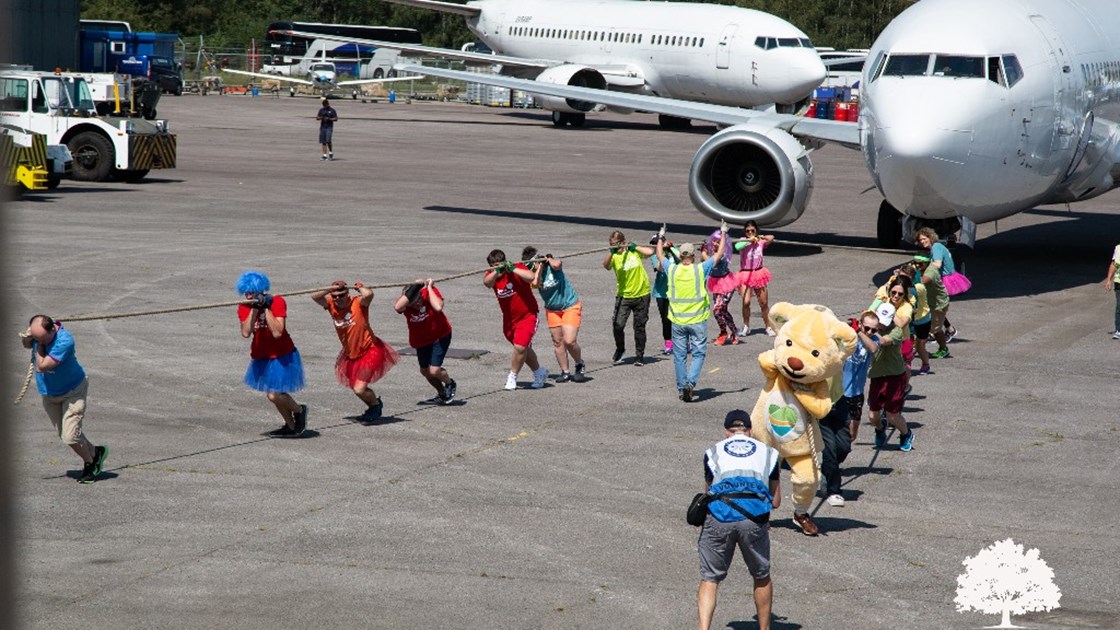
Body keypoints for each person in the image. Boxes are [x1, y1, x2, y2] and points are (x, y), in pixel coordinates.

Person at [697, 410, 781, 630]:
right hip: (753, 519)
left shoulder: (712, 452)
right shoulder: (769, 453)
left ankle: (703, 628)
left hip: (720, 516)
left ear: (727, 431)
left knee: (710, 578)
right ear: (750, 430)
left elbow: (708, 493)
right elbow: (776, 501)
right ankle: (764, 628)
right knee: (761, 575)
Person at [21, 315, 109, 484]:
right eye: (37, 337)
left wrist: (38, 343)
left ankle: (91, 463)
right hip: (49, 393)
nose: (40, 341)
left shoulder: (65, 341)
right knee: (66, 434)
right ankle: (95, 452)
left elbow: (42, 366)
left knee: (70, 437)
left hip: (73, 391)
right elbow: (26, 345)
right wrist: (28, 338)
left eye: (42, 338)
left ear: (52, 329)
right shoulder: (40, 335)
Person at [657, 222, 728, 402]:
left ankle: (682, 388)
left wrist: (661, 237)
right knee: (698, 354)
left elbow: (659, 254)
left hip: (678, 321)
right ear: (694, 256)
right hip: (697, 321)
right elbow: (719, 254)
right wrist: (723, 233)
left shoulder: (672, 269)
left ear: (680, 256)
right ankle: (690, 383)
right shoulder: (700, 269)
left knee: (679, 356)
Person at [311, 280, 399, 419]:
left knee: (359, 388)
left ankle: (376, 405)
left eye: (341, 295)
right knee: (355, 386)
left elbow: (369, 294)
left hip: (370, 349)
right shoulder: (331, 305)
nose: (338, 299)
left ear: (348, 293)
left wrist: (361, 287)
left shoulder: (358, 303)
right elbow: (315, 296)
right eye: (335, 296)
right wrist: (329, 289)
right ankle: (373, 406)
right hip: (351, 353)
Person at [237, 271, 308, 436]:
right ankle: (291, 426)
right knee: (273, 394)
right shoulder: (243, 306)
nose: (248, 294)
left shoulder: (277, 302)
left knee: (273, 394)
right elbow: (246, 332)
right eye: (246, 291)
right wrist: (255, 310)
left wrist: (267, 308)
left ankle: (299, 410)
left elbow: (277, 332)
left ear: (261, 290)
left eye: (251, 291)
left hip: (282, 354)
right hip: (262, 356)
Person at [820, 312, 879, 505]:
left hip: (855, 395)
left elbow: (873, 348)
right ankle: (831, 482)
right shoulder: (848, 339)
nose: (870, 331)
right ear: (860, 323)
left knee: (846, 443)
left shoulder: (871, 340)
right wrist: (847, 330)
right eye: (866, 327)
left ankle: (829, 468)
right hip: (836, 395)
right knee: (830, 447)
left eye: (873, 329)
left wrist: (860, 333)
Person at [484, 249, 550, 390]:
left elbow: (532, 277)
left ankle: (512, 377)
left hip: (528, 315)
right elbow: (487, 283)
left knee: (520, 347)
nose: (494, 269)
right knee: (523, 348)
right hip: (509, 321)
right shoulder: (492, 275)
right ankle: (539, 372)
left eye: (498, 265)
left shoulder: (517, 268)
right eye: (492, 266)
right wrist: (497, 271)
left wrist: (512, 269)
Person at [524, 246, 586, 383]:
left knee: (569, 341)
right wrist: (538, 268)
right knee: (558, 342)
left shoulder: (552, 267)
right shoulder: (533, 276)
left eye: (532, 266)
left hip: (570, 306)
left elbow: (558, 264)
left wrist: (548, 259)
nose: (531, 269)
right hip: (552, 310)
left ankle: (579, 364)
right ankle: (565, 372)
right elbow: (535, 283)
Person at [394, 279, 457, 403]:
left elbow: (438, 307)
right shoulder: (404, 305)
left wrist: (428, 287)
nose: (417, 304)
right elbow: (397, 307)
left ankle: (450, 384)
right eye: (412, 302)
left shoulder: (429, 293)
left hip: (440, 336)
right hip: (421, 340)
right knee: (425, 371)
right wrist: (416, 286)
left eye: (418, 299)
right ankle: (442, 393)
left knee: (434, 370)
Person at [867, 303, 915, 452]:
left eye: (885, 320)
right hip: (877, 376)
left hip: (894, 376)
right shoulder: (872, 328)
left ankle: (906, 434)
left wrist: (865, 332)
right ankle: (880, 429)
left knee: (892, 416)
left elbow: (883, 341)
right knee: (873, 415)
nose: (882, 324)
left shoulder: (897, 332)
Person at [602, 230, 655, 365]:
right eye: (612, 244)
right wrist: (611, 252)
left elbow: (650, 252)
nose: (616, 246)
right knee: (618, 325)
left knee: (639, 326)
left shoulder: (633, 252)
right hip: (624, 296)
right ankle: (620, 349)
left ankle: (639, 356)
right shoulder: (614, 257)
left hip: (642, 294)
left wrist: (634, 246)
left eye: (617, 243)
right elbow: (606, 265)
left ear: (623, 242)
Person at [915, 227, 967, 336]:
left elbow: (937, 264)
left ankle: (935, 331)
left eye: (925, 238)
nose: (922, 241)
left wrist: (923, 275)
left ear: (930, 237)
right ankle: (949, 328)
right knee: (935, 305)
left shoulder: (936, 248)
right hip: (946, 276)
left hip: (945, 278)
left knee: (935, 305)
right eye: (920, 240)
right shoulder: (936, 247)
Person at [734, 221, 777, 337]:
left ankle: (768, 326)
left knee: (763, 303)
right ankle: (746, 326)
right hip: (745, 274)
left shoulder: (760, 241)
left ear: (756, 230)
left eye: (752, 230)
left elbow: (771, 238)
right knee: (746, 302)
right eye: (748, 231)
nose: (750, 232)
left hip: (758, 273)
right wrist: (749, 240)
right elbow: (737, 246)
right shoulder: (743, 240)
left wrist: (760, 237)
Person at [702, 229, 741, 345]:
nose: (714, 244)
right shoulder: (711, 253)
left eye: (718, 242)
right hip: (716, 283)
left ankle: (723, 332)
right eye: (713, 241)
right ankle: (734, 331)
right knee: (722, 310)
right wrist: (704, 250)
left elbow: (711, 261)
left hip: (727, 284)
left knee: (717, 310)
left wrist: (703, 253)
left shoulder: (722, 255)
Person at [913, 255, 951, 358]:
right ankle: (917, 346)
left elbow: (921, 282)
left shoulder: (930, 273)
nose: (917, 265)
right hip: (929, 302)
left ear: (927, 263)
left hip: (938, 304)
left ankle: (943, 349)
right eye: (915, 263)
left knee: (934, 329)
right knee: (925, 325)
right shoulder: (923, 267)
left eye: (920, 264)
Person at [650, 234, 678, 356]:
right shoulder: (654, 256)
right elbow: (659, 268)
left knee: (679, 318)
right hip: (661, 292)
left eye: (659, 242)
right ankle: (668, 343)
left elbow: (682, 259)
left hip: (676, 290)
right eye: (655, 243)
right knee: (666, 319)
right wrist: (661, 254)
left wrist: (671, 248)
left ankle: (683, 342)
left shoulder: (673, 251)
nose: (657, 245)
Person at [1106, 244, 1120, 339]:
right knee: (1119, 306)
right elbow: (1114, 264)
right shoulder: (1118, 248)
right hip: (1119, 282)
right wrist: (1108, 280)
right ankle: (1118, 330)